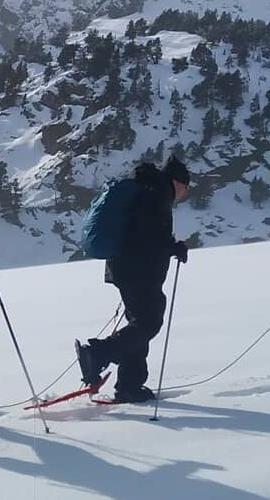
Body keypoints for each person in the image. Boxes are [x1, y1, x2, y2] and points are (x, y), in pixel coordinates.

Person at [75, 155, 191, 403]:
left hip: (127, 269)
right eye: (185, 187)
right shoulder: (156, 194)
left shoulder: (148, 190)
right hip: (138, 271)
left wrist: (170, 246)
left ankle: (130, 385)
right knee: (148, 323)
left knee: (139, 325)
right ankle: (99, 353)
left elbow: (143, 233)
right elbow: (146, 237)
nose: (184, 194)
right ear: (177, 182)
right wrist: (172, 247)